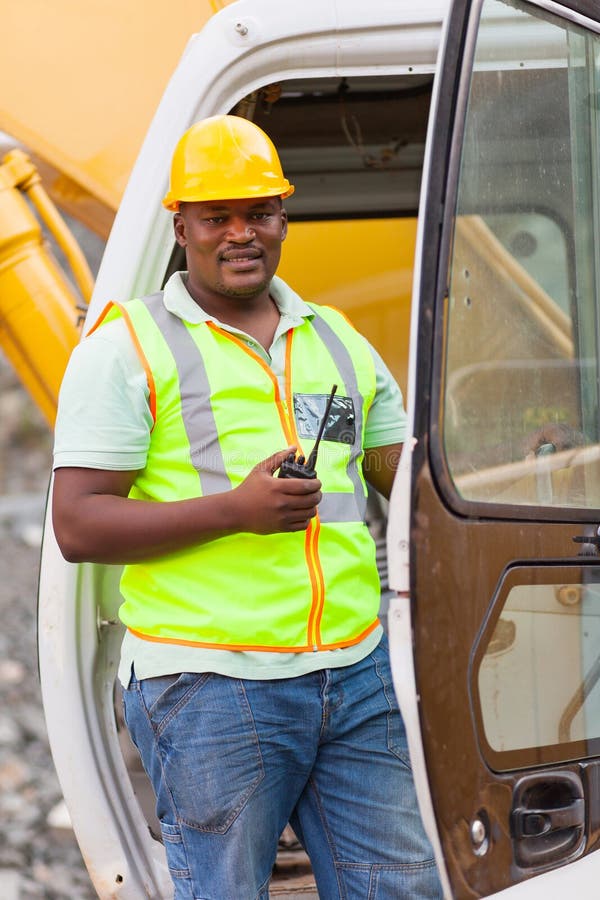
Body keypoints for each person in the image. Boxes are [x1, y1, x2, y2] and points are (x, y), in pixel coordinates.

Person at [52, 115, 442, 899]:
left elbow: (407, 482)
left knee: (401, 890)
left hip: (353, 675)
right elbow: (78, 523)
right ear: (182, 227)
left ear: (283, 219)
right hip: (209, 684)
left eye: (258, 212)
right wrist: (237, 509)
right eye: (216, 216)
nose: (241, 233)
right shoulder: (125, 348)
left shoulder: (336, 341)